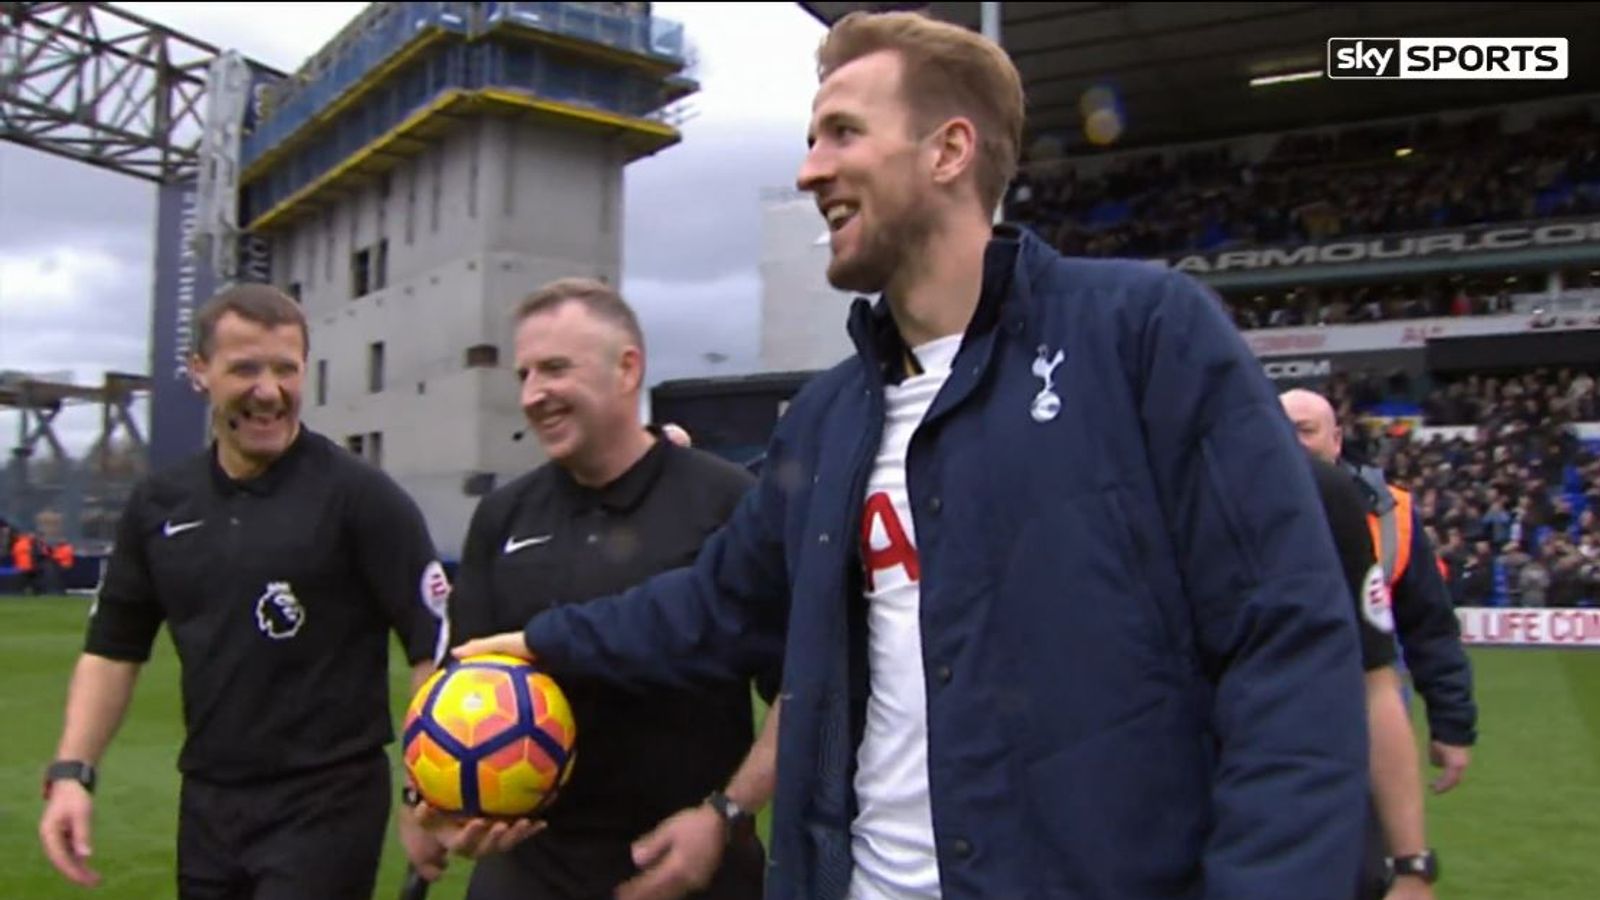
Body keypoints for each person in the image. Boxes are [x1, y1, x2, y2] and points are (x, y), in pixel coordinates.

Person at [457, 10, 1371, 898]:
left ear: (948, 151)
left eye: (842, 133)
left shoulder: (1140, 335)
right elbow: (715, 604)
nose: (811, 170)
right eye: (812, 139)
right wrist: (544, 641)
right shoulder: (825, 419)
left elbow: (1284, 647)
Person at [37, 284, 451, 899]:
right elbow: (113, 648)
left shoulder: (360, 498)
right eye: (245, 369)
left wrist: (427, 794)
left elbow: (434, 647)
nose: (269, 391)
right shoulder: (160, 505)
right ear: (200, 373)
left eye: (286, 369)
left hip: (327, 804)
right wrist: (73, 772)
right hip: (208, 803)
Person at [410, 278, 770, 900]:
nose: (532, 395)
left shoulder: (727, 501)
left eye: (554, 369)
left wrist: (727, 814)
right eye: (523, 374)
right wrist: (441, 802)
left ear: (627, 369)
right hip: (527, 874)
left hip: (685, 873)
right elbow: (461, 684)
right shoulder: (503, 517)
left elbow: (807, 689)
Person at [1281, 388, 1478, 794]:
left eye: (1305, 430)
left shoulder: (1393, 516)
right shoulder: (1223, 508)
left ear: (1336, 440)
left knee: (1373, 839)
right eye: (1280, 430)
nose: (1292, 443)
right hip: (1264, 712)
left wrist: (1452, 725)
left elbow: (1431, 628)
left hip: (1366, 706)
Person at [1303, 457, 1440, 900]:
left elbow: (1376, 683)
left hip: (1299, 821)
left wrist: (1411, 865)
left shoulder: (1318, 489)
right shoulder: (1096, 480)